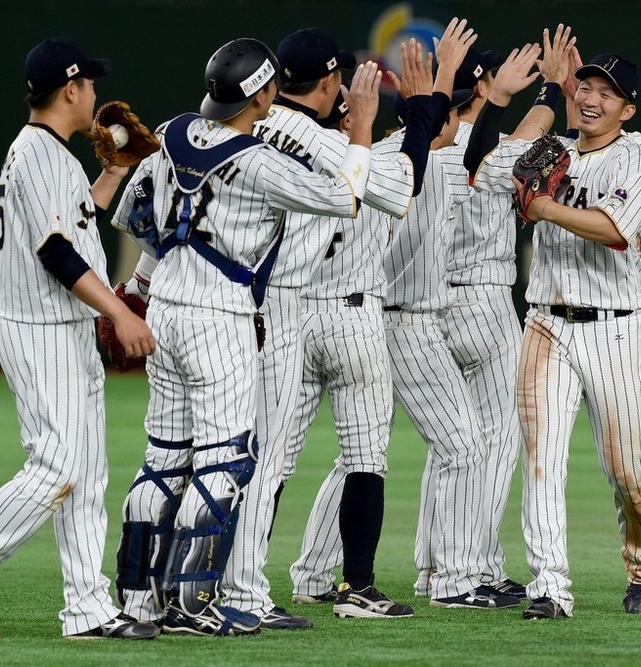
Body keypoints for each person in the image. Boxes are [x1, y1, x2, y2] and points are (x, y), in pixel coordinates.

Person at [109, 37, 381, 636]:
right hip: (220, 314)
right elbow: (344, 196)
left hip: (167, 309)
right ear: (260, 92)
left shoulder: (171, 131)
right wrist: (360, 130)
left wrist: (137, 287)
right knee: (223, 459)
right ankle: (192, 603)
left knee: (162, 460)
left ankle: (137, 603)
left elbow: (134, 217)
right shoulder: (256, 158)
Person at [0, 36, 159, 641]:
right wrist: (122, 314)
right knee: (57, 467)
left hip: (65, 328)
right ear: (71, 89)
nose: (98, 95)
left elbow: (73, 222)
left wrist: (107, 178)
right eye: (92, 84)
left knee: (88, 470)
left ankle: (88, 610)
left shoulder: (52, 155)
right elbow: (55, 251)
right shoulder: (37, 153)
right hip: (41, 330)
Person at [211, 26, 442, 630]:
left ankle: (232, 578)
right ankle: (354, 586)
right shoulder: (327, 140)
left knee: (264, 460)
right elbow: (398, 186)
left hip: (259, 310)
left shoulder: (241, 130)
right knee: (363, 454)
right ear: (337, 82)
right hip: (332, 311)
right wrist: (415, 110)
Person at [286, 66, 524, 611]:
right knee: (463, 446)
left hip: (353, 314)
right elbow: (484, 148)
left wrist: (436, 94)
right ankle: (455, 581)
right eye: (454, 113)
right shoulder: (432, 164)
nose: (459, 122)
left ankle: (312, 573)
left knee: (356, 459)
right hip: (405, 323)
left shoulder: (372, 159)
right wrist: (501, 95)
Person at [466, 27, 641, 619]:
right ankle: (549, 587)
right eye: (585, 85)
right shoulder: (550, 149)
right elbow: (486, 168)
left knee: (627, 468)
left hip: (616, 328)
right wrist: (531, 104)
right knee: (541, 461)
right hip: (546, 324)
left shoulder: (638, 155)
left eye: (607, 92)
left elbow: (613, 230)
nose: (592, 97)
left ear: (627, 109)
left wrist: (543, 206)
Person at [422, 43, 527, 600]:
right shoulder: (492, 146)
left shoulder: (426, 144)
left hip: (433, 302)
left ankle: (433, 566)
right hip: (484, 302)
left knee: (450, 446)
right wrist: (551, 90)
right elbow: (529, 133)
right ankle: (476, 565)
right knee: (493, 441)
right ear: (483, 85)